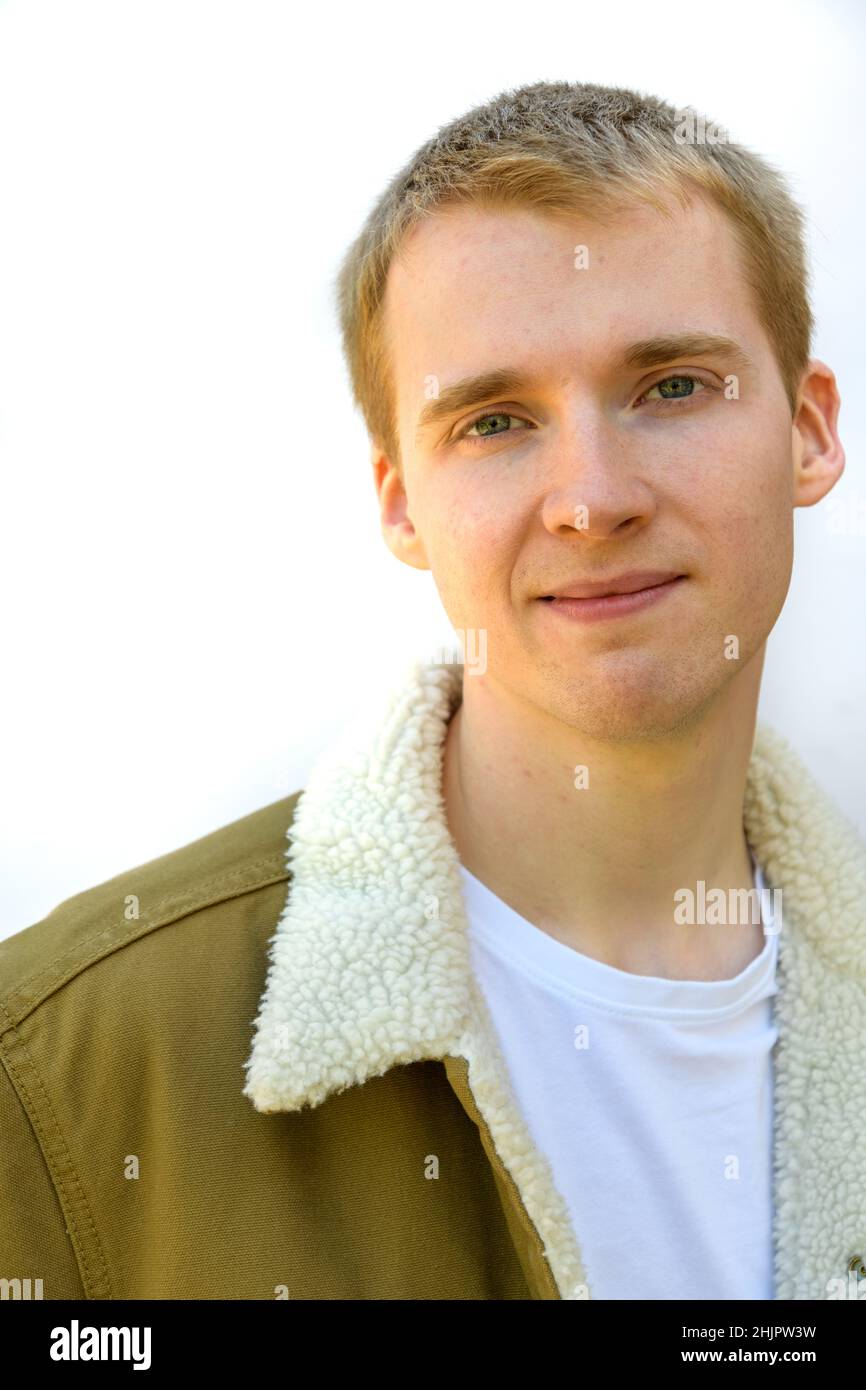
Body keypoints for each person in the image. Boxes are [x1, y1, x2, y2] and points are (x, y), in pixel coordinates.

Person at [2, 79, 864, 1303]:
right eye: (495, 421)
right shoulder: (57, 1071)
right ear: (400, 500)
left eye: (670, 386)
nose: (591, 497)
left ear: (809, 434)